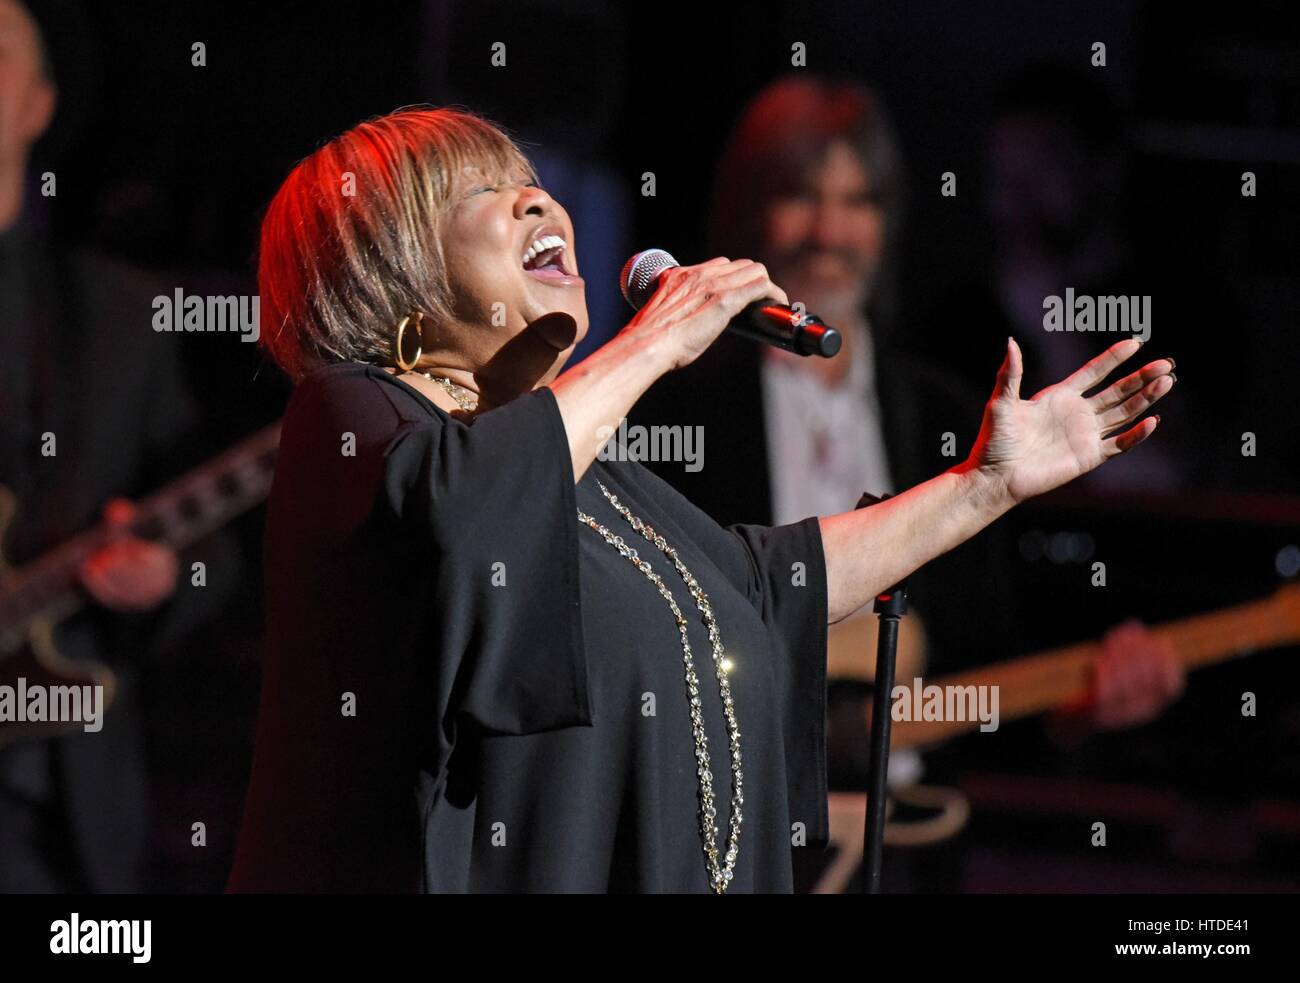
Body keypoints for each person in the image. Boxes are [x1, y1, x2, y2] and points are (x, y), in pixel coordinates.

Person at [226, 105, 1176, 893]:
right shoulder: (349, 423)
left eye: (531, 180)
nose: (534, 198)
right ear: (388, 266)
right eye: (484, 190)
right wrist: (655, 341)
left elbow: (772, 590)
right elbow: (460, 520)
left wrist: (986, 484)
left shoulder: (589, 478)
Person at [631, 76, 1185, 757]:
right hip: (729, 819)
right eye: (801, 197)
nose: (830, 231)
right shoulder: (674, 406)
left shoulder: (945, 415)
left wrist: (1076, 708)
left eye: (857, 201)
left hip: (905, 835)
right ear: (750, 212)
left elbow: (982, 656)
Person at [0, 0, 208, 891]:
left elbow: (209, 537)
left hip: (67, 801)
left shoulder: (120, 315)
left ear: (39, 104)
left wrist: (167, 573)